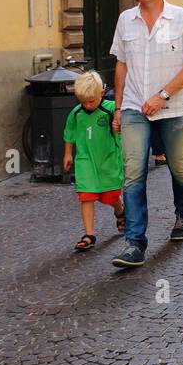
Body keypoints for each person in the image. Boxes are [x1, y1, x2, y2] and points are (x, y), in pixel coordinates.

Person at [108, 0, 183, 268]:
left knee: (178, 168)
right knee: (133, 174)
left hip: (173, 108)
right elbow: (121, 64)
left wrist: (163, 95)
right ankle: (135, 243)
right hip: (134, 109)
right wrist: (117, 107)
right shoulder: (126, 20)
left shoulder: (181, 19)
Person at [63, 70, 124, 252]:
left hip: (108, 160)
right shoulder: (75, 113)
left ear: (102, 93)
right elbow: (69, 134)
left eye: (92, 101)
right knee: (86, 196)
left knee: (110, 195)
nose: (88, 105)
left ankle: (120, 211)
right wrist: (68, 154)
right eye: (84, 102)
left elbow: (123, 124)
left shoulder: (111, 108)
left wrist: (118, 124)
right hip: (85, 161)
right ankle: (89, 234)